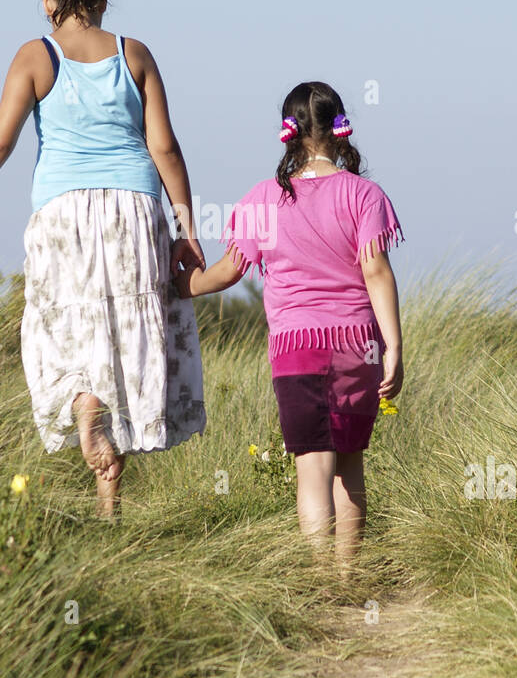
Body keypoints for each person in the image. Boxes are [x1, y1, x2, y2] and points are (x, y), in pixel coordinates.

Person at [0, 0, 206, 515]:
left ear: (48, 3)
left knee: (62, 329)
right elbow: (165, 147)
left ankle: (85, 410)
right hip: (132, 208)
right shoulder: (136, 55)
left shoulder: (36, 56)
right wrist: (187, 225)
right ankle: (110, 502)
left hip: (61, 215)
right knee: (122, 337)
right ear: (104, 1)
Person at [173, 81, 403, 568]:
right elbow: (376, 270)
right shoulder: (364, 194)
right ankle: (347, 577)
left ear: (288, 133)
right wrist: (395, 349)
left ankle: (318, 581)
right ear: (340, 128)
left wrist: (181, 286)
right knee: (350, 467)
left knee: (311, 470)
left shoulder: (263, 200)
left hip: (295, 348)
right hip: (357, 346)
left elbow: (229, 270)